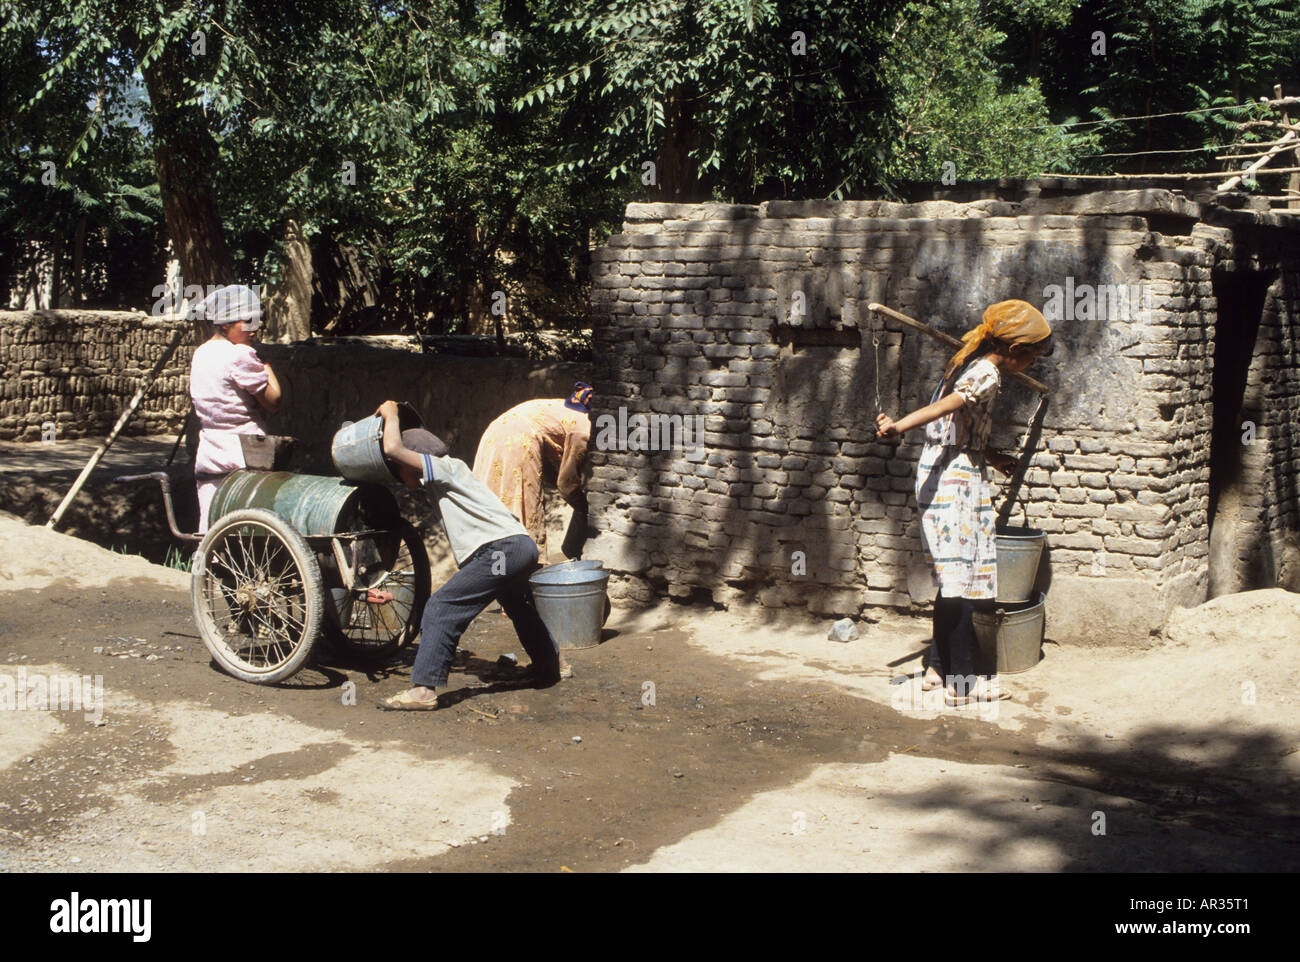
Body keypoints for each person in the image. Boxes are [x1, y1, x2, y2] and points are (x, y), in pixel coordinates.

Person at [875, 300, 1053, 707]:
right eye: (1033, 356)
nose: (1033, 364)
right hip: (955, 479)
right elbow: (945, 409)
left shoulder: (966, 362)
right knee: (963, 584)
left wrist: (989, 456)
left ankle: (936, 667)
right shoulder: (987, 373)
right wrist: (898, 426)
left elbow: (956, 429)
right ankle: (963, 683)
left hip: (946, 467)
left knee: (951, 578)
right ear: (1013, 350)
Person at [373, 400, 565, 710]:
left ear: (416, 461)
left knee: (441, 606)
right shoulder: (449, 479)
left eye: (399, 471)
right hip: (518, 548)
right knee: (516, 603)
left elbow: (394, 448)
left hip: (504, 551)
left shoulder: (446, 468)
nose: (398, 475)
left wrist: (391, 414)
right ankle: (548, 666)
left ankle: (423, 692)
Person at [188, 284, 282, 532]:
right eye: (247, 322)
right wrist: (266, 366)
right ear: (225, 325)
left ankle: (207, 565)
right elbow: (273, 401)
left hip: (210, 447)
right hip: (244, 449)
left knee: (211, 520)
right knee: (249, 524)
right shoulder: (239, 355)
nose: (254, 328)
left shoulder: (201, 353)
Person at [472, 384, 593, 559]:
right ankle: (520, 566)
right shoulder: (585, 427)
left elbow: (551, 471)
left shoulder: (561, 408)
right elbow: (566, 485)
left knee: (493, 506)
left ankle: (490, 564)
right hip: (517, 442)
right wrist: (584, 508)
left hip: (495, 433)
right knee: (522, 510)